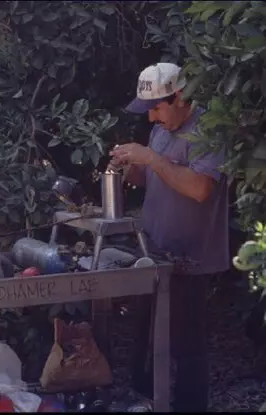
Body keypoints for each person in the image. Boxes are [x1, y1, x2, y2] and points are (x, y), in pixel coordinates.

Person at [109, 62, 229, 412]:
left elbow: (200, 188)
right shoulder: (161, 130)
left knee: (187, 348)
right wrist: (130, 166)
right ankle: (144, 402)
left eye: (157, 107)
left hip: (190, 258)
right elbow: (153, 178)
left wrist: (153, 159)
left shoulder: (208, 129)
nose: (152, 118)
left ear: (180, 96)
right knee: (145, 337)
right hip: (154, 252)